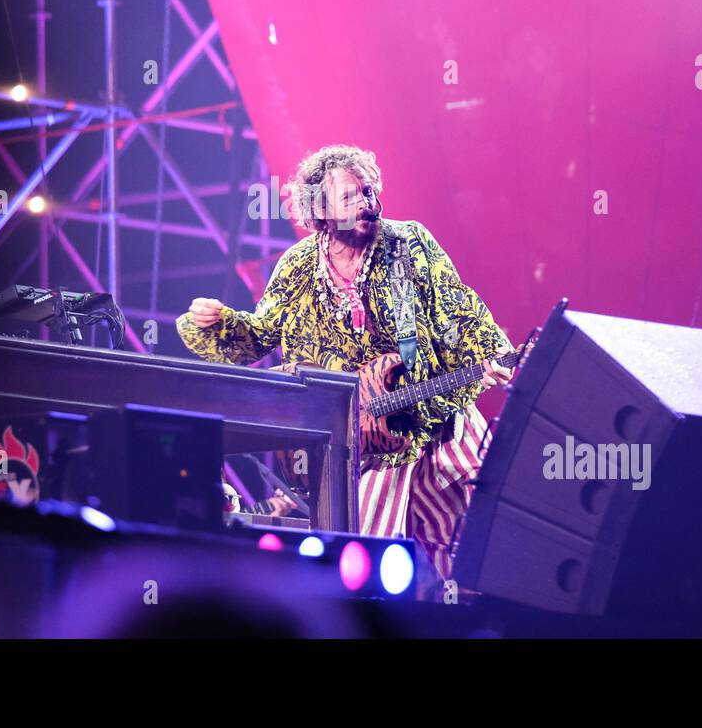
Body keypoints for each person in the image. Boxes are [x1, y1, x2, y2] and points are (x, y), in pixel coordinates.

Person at [177, 144, 516, 589]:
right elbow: (259, 337)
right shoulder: (297, 268)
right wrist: (221, 321)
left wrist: (491, 357)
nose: (367, 203)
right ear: (319, 210)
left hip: (435, 417)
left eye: (370, 191)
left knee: (477, 548)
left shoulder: (407, 242)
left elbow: (459, 311)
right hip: (363, 444)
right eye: (351, 196)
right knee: (364, 566)